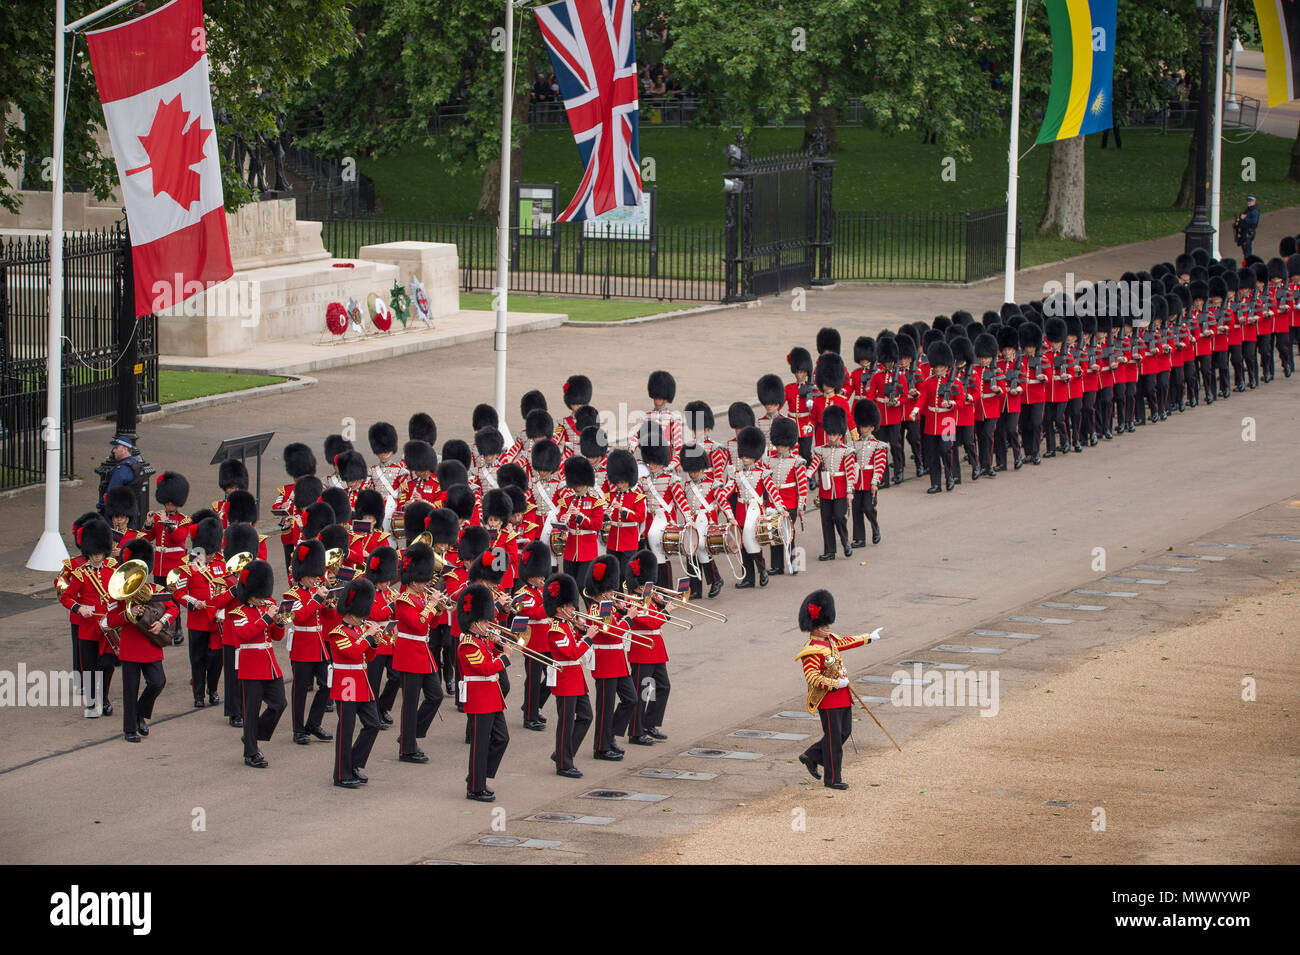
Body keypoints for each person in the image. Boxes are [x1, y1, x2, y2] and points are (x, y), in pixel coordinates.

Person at [795, 589, 880, 790]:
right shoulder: (811, 651)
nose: (828, 626)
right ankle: (832, 779)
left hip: (843, 696)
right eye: (824, 624)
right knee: (834, 740)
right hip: (828, 698)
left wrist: (869, 637)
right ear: (815, 627)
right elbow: (813, 678)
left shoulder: (830, 639)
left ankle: (812, 755)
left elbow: (846, 642)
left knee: (844, 732)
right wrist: (835, 684)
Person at [228, 559, 289, 768]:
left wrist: (278, 621)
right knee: (251, 712)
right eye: (258, 594)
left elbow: (277, 636)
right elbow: (245, 634)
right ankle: (251, 753)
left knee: (279, 704)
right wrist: (266, 618)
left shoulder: (266, 607)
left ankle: (252, 737)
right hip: (251, 666)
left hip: (269, 664)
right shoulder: (238, 613)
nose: (263, 598)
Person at [327, 578, 384, 789]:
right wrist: (368, 638)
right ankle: (341, 774)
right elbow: (351, 653)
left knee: (373, 724)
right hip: (346, 685)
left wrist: (375, 642)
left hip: (361, 683)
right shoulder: (338, 633)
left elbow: (366, 657)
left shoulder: (360, 631)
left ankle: (353, 764)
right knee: (346, 731)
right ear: (352, 613)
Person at [457, 583, 510, 802]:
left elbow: (489, 659)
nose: (489, 625)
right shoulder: (468, 644)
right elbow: (485, 668)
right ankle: (476, 787)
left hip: (491, 696)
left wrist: (497, 645)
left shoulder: (481, 640)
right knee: (480, 744)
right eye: (486, 621)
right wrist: (504, 657)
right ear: (475, 622)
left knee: (501, 738)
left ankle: (477, 777)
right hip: (479, 697)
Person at [542, 572, 595, 778]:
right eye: (571, 605)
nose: (574, 608)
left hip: (576, 677)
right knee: (566, 722)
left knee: (586, 716)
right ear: (560, 607)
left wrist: (582, 630)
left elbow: (575, 646)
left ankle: (563, 754)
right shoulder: (556, 630)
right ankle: (564, 764)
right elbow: (572, 652)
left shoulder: (568, 625)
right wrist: (588, 639)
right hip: (565, 678)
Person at [98, 435, 142, 516]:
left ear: (125, 449)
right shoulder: (135, 464)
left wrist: (100, 505)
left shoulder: (122, 469)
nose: (113, 451)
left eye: (116, 447)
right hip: (131, 509)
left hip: (118, 513)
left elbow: (111, 492)